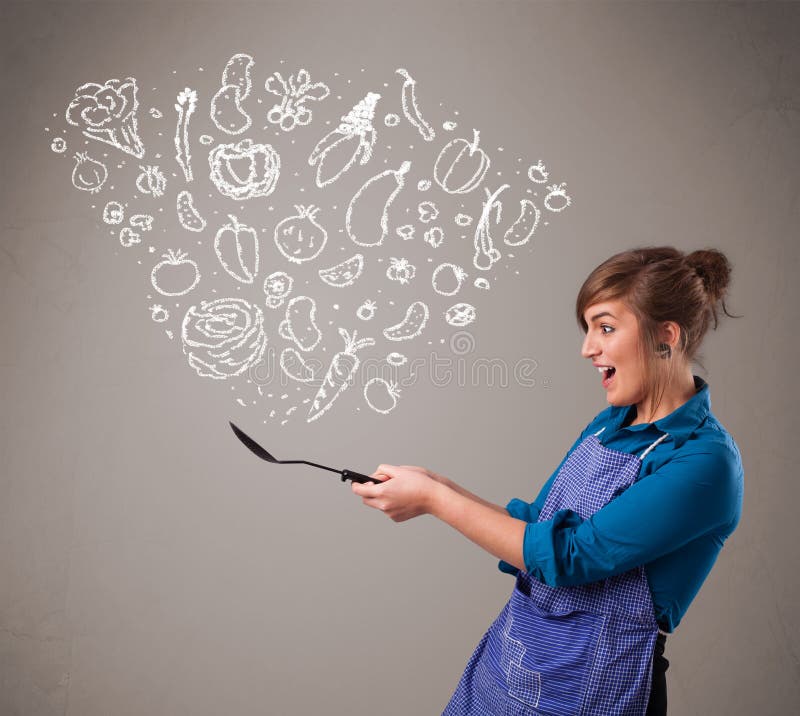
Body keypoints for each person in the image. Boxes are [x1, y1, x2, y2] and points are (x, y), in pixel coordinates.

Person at [351, 247, 744, 716]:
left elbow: (572, 556)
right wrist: (437, 483)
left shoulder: (704, 461)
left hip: (594, 686)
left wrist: (435, 500)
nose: (587, 348)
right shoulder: (608, 426)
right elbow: (538, 528)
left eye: (605, 327)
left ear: (666, 336)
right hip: (514, 667)